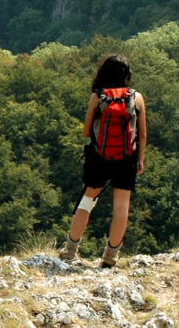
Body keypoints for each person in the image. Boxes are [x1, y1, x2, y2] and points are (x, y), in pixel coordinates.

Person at [59, 54, 146, 268]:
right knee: (121, 207)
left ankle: (70, 252)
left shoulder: (97, 97)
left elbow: (86, 131)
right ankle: (110, 258)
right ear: (127, 75)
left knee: (87, 202)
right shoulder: (137, 98)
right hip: (127, 158)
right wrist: (140, 160)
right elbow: (142, 135)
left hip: (99, 156)